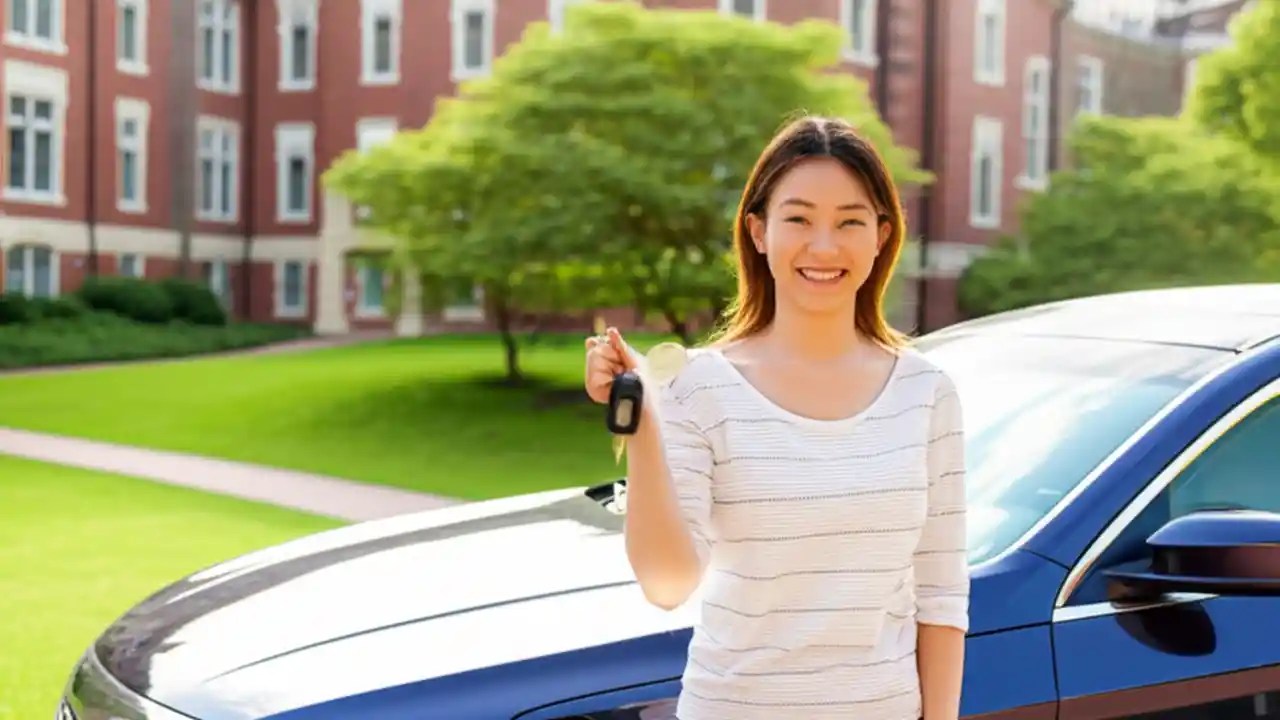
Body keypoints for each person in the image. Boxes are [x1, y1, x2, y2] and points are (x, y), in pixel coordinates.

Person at [583, 115, 968, 720]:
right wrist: (645, 426)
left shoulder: (927, 392)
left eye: (849, 221)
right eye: (798, 218)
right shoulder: (694, 388)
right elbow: (666, 584)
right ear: (758, 231)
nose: (823, 246)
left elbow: (942, 595)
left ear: (881, 235)